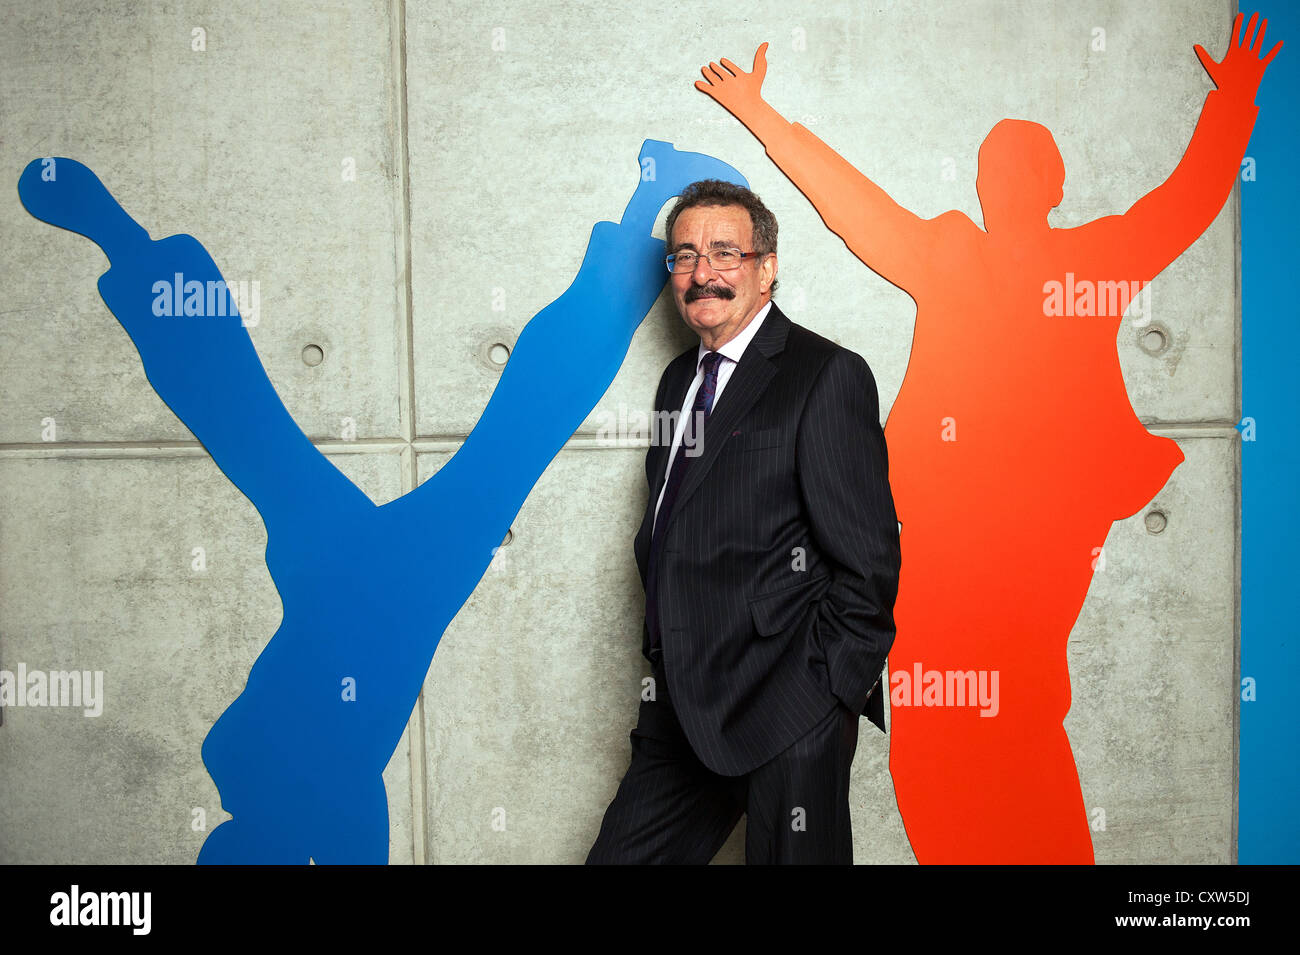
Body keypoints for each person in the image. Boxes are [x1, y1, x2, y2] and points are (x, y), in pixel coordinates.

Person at [690, 12, 1280, 863]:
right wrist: (761, 115)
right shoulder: (950, 254)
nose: (997, 181)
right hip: (937, 543)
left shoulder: (1089, 263)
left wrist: (1234, 110)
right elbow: (852, 203)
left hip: (1036, 547)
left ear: (1049, 184)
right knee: (929, 725)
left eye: (1014, 169)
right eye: (989, 168)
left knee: (1019, 720)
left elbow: (1185, 202)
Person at [586, 179, 901, 864]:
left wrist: (821, 699)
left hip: (787, 705)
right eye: (685, 255)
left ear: (767, 267)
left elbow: (869, 566)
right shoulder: (679, 381)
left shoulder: (826, 375)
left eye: (726, 252)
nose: (704, 273)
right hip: (683, 703)